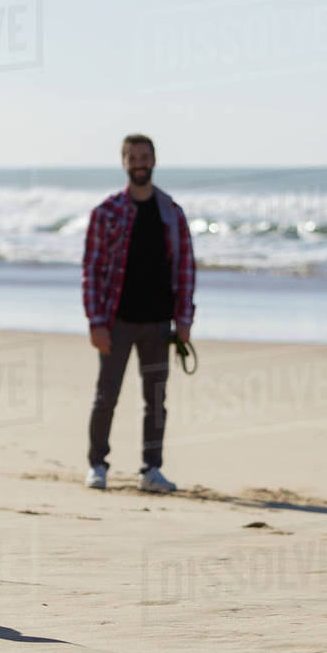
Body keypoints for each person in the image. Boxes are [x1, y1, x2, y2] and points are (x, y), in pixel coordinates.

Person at [81, 134, 195, 492]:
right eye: (133, 157)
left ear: (155, 160)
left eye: (144, 156)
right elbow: (91, 271)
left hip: (160, 324)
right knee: (106, 397)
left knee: (156, 401)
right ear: (124, 162)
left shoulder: (171, 213)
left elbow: (186, 268)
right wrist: (96, 322)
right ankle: (97, 465)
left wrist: (185, 319)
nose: (139, 162)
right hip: (116, 322)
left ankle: (151, 470)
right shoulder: (107, 212)